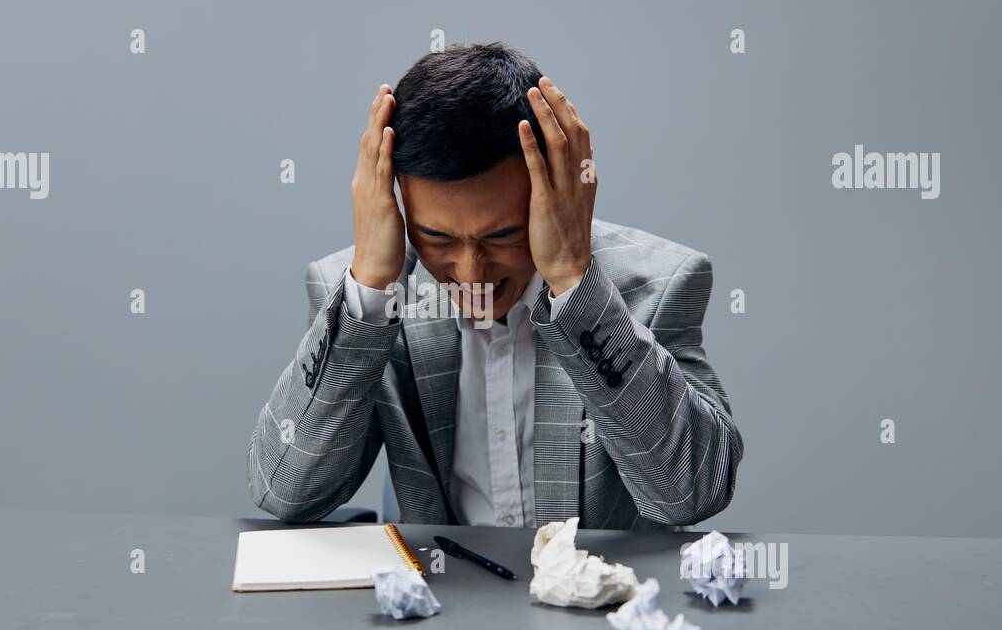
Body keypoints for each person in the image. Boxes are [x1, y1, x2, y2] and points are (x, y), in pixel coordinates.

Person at [247, 42, 743, 529]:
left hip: (597, 585)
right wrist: (372, 287)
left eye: (503, 235)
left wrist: (575, 283)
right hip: (437, 580)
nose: (471, 273)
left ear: (558, 190)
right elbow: (285, 492)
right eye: (437, 238)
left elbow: (693, 494)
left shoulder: (658, 283)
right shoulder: (365, 297)